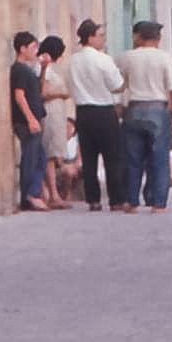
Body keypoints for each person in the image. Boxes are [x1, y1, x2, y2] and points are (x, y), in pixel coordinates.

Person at [116, 21, 172, 212]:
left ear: (138, 37)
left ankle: (131, 201)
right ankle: (158, 203)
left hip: (133, 109)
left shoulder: (125, 58)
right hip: (157, 111)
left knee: (133, 159)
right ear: (158, 39)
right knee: (159, 159)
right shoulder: (164, 58)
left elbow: (119, 85)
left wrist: (118, 106)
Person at [64, 19, 127, 211]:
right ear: (90, 37)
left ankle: (93, 199)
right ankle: (116, 199)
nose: (103, 40)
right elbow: (117, 85)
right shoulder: (103, 59)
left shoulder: (72, 61)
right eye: (100, 36)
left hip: (83, 111)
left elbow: (70, 86)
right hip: (104, 110)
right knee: (112, 156)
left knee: (89, 157)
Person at [9, 32, 49, 211]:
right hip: (27, 122)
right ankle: (30, 195)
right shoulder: (19, 70)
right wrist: (31, 119)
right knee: (32, 159)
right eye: (33, 47)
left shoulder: (29, 70)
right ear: (22, 49)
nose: (36, 51)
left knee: (39, 157)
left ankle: (31, 194)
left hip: (34, 119)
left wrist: (44, 68)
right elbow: (19, 96)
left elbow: (38, 91)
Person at [37, 35, 74, 208]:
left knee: (54, 154)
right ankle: (52, 194)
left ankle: (51, 193)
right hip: (50, 112)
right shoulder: (44, 68)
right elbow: (42, 93)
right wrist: (61, 94)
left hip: (57, 113)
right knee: (50, 154)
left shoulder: (52, 68)